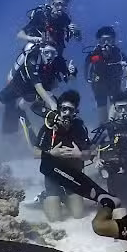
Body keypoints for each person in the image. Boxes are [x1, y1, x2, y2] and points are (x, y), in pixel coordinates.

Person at [34, 90, 93, 222]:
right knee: (55, 218)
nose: (66, 113)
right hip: (53, 178)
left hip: (73, 178)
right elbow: (35, 152)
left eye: (70, 110)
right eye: (64, 109)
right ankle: (45, 197)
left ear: (75, 112)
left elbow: (90, 154)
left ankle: (65, 198)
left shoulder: (79, 128)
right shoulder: (48, 127)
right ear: (58, 109)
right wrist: (50, 153)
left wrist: (80, 154)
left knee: (78, 214)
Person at [91, 93, 127, 216]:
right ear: (114, 109)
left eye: (126, 107)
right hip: (115, 177)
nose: (123, 111)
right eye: (119, 108)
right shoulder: (107, 129)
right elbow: (91, 148)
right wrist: (95, 158)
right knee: (121, 218)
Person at [84, 26, 127, 122]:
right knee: (102, 107)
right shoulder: (94, 54)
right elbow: (86, 67)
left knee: (115, 106)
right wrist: (88, 79)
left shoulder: (118, 54)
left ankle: (113, 128)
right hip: (99, 85)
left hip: (114, 84)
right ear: (99, 42)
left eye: (109, 40)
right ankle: (103, 129)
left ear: (113, 41)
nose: (106, 43)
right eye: (103, 40)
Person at [17, 0, 81, 55]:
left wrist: (77, 32)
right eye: (58, 4)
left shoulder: (65, 19)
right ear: (51, 4)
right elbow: (20, 34)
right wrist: (32, 38)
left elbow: (78, 39)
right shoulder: (41, 15)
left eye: (64, 6)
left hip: (54, 53)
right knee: (29, 49)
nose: (60, 8)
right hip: (37, 50)